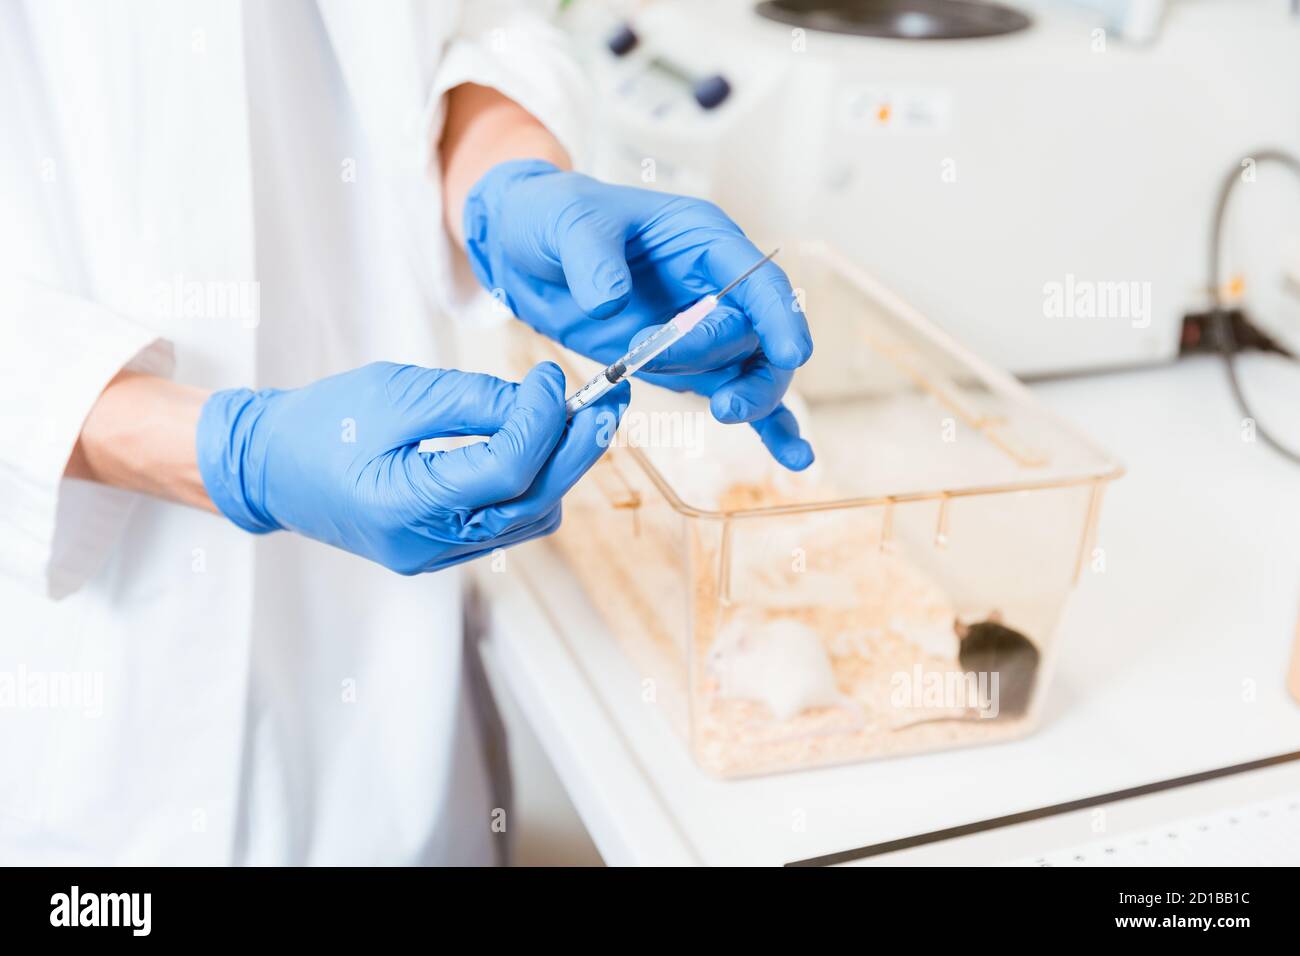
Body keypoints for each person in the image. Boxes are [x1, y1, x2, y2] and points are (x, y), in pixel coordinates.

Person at [0, 1, 812, 864]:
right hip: (89, 724)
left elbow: (468, 31)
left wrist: (506, 183)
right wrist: (231, 453)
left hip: (394, 708)